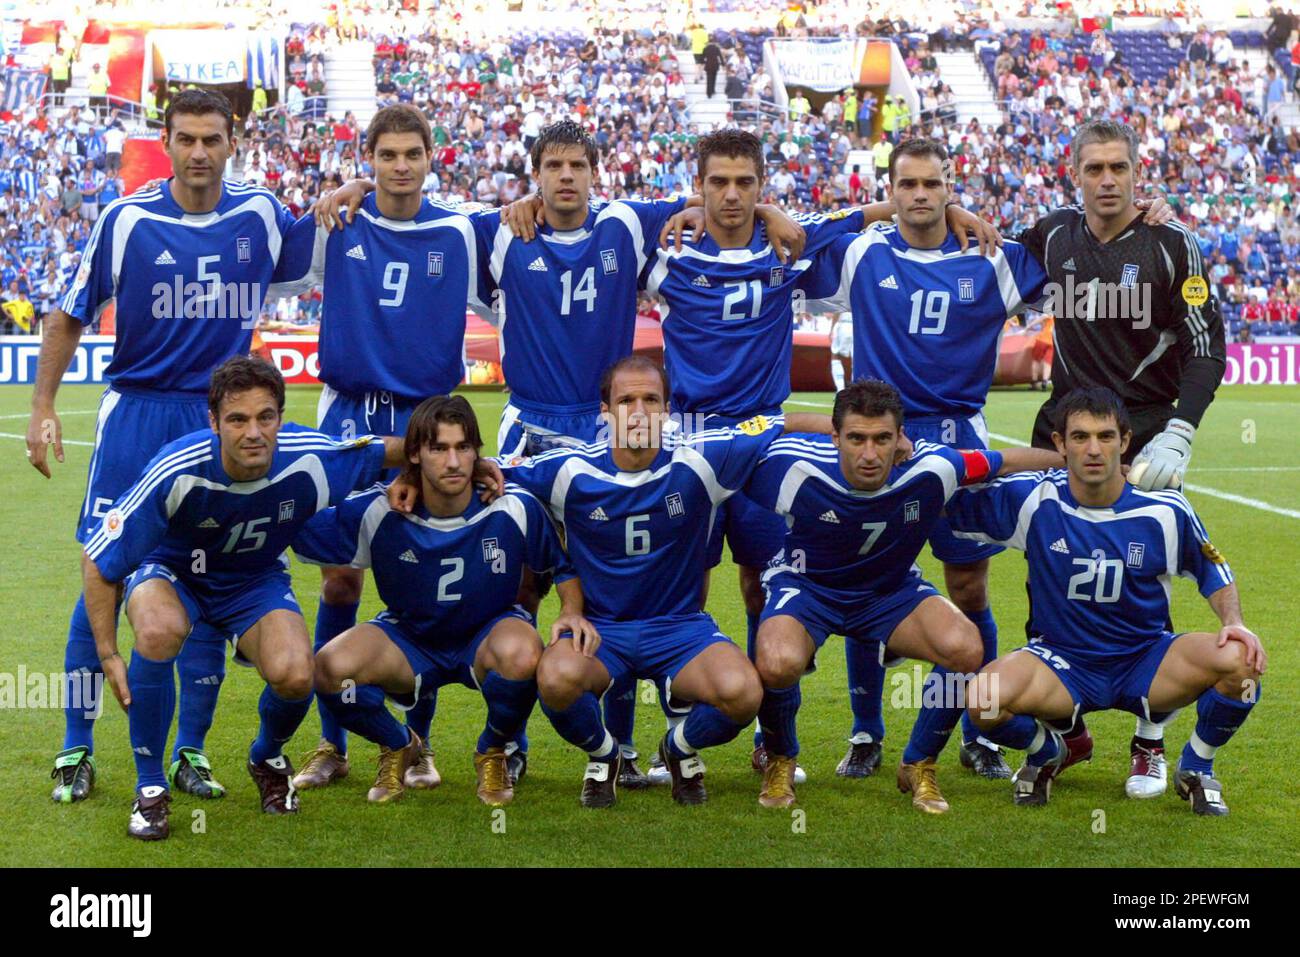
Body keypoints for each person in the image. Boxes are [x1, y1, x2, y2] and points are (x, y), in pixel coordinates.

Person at [27, 89, 297, 806]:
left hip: (216, 424)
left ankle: (190, 753)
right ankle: (74, 745)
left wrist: (354, 187)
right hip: (137, 419)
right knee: (104, 575)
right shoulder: (128, 220)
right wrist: (43, 406)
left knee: (207, 582)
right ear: (167, 140)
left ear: (234, 139)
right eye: (186, 139)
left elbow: (337, 241)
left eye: (212, 138)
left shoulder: (263, 214)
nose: (199, 152)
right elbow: (68, 313)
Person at [802, 137, 1047, 781]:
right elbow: (791, 240)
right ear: (891, 190)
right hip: (883, 446)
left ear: (949, 188)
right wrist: (872, 211)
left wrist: (1155, 218)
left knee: (968, 589)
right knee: (867, 585)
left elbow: (1079, 262)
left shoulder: (992, 259)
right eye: (905, 185)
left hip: (961, 442)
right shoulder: (862, 252)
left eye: (931, 185)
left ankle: (978, 728)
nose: (919, 196)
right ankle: (865, 731)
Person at [81, 357, 408, 840]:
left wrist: (440, 468)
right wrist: (108, 653)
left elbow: (390, 449)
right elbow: (98, 557)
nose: (253, 432)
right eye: (237, 419)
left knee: (297, 674)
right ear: (213, 422)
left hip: (254, 582)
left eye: (265, 417)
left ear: (280, 416)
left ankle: (267, 756)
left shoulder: (310, 456)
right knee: (156, 628)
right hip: (174, 574)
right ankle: (150, 789)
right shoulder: (177, 468)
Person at [478, 356, 827, 806]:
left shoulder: (702, 458)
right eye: (626, 401)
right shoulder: (569, 470)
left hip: (680, 628)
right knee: (555, 678)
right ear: (604, 412)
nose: (639, 411)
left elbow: (781, 420)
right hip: (602, 630)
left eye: (651, 400)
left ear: (667, 411)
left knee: (742, 693)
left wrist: (845, 431)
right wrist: (415, 477)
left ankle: (678, 748)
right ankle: (605, 755)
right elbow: (483, 468)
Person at [272, 104, 496, 794]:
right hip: (348, 419)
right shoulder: (337, 223)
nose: (401, 165)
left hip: (427, 425)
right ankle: (332, 741)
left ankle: (414, 743)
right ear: (367, 158)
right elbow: (269, 261)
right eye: (387, 155)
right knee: (340, 579)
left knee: (416, 582)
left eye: (413, 153)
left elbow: (540, 221)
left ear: (433, 158)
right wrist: (338, 195)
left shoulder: (461, 232)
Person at [1019, 120, 1227, 794]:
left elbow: (1206, 344)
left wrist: (1181, 431)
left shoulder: (1175, 246)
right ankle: (1066, 716)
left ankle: (1150, 735)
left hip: (1142, 437)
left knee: (1149, 572)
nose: (1107, 180)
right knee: (1048, 560)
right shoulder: (1049, 236)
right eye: (1094, 169)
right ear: (1072, 173)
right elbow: (985, 257)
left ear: (1138, 173)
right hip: (1064, 430)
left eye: (1118, 168)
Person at [746, 379, 1065, 811]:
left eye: (882, 439)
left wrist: (1075, 460)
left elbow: (1005, 461)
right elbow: (741, 439)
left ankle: (919, 763)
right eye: (855, 438)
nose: (870, 454)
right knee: (777, 660)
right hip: (809, 588)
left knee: (964, 647)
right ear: (834, 436)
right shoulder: (788, 466)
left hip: (889, 591)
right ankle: (780, 758)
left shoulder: (934, 466)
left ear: (901, 437)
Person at [949, 388, 1262, 815]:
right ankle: (1048, 752)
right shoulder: (1034, 500)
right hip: (1063, 662)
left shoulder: (1164, 509)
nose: (1093, 449)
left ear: (1125, 441)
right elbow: (940, 495)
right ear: (1059, 444)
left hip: (1146, 659)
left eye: (1105, 436)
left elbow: (1212, 570)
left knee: (1242, 661)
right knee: (983, 699)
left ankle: (1197, 766)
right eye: (1079, 437)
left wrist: (1235, 621)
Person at [293, 396, 588, 806]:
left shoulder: (513, 505)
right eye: (438, 448)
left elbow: (561, 565)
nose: (453, 462)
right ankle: (400, 744)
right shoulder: (381, 509)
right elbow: (295, 520)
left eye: (463, 447)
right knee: (329, 670)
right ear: (413, 453)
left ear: (476, 453)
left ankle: (492, 749)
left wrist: (571, 610)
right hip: (409, 638)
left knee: (523, 655)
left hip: (486, 633)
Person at [828, 312, 851, 391]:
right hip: (857, 326)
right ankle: (856, 388)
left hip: (844, 325)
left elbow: (837, 310)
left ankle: (840, 389)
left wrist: (831, 329)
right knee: (856, 359)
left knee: (835, 356)